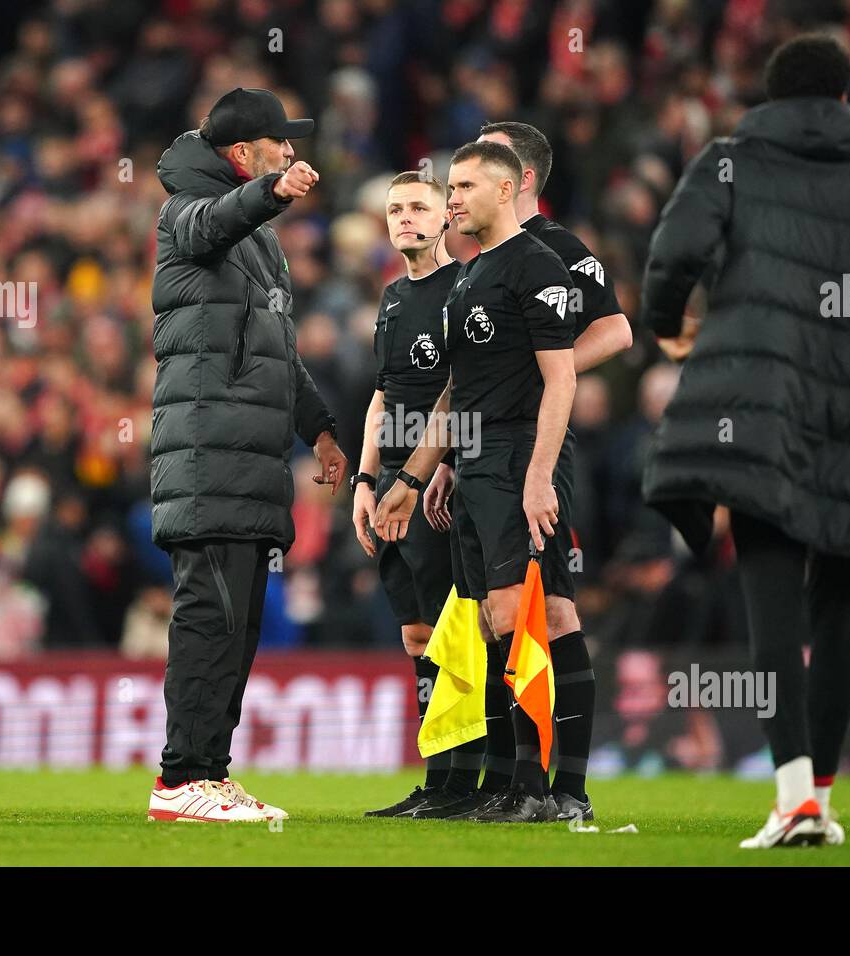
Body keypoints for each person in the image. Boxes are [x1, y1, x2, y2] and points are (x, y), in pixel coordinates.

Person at [639, 35, 850, 847]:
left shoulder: (730, 161)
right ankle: (821, 795)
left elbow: (673, 255)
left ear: (769, 97)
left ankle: (794, 800)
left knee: (771, 603)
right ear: (846, 102)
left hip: (758, 406)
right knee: (838, 614)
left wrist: (670, 327)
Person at [147, 88, 347, 824]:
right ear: (242, 155)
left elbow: (278, 353)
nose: (292, 152)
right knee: (211, 618)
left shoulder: (258, 241)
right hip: (207, 455)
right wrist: (270, 194)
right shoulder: (185, 215)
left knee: (238, 628)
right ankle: (181, 779)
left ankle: (210, 773)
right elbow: (212, 224)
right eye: (278, 144)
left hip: (250, 460)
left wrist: (320, 429)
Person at [375, 140, 577, 823]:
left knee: (521, 620)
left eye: (461, 187)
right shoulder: (467, 277)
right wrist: (419, 475)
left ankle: (538, 787)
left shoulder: (537, 265)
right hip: (473, 464)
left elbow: (563, 378)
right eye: (450, 187)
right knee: (491, 623)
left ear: (506, 190)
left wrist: (540, 477)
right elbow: (455, 392)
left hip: (518, 456)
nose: (452, 198)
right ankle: (507, 784)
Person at [352, 170, 480, 816]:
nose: (405, 217)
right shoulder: (394, 296)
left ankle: (463, 781)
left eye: (419, 207)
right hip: (393, 479)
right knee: (414, 634)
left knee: (454, 631)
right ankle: (438, 779)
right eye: (395, 208)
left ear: (446, 218)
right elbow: (382, 394)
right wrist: (365, 478)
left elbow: (459, 390)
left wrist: (429, 471)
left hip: (434, 482)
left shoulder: (465, 288)